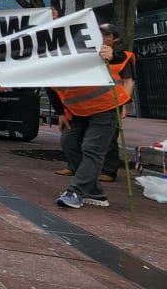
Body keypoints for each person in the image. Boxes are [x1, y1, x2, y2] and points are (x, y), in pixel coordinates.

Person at [49, 22, 131, 208]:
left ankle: (75, 192)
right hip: (78, 110)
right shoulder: (49, 60)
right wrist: (60, 113)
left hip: (107, 106)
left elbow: (120, 59)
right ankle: (95, 192)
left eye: (106, 34)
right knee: (68, 142)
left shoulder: (96, 50)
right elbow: (51, 89)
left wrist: (111, 55)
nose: (102, 36)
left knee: (92, 148)